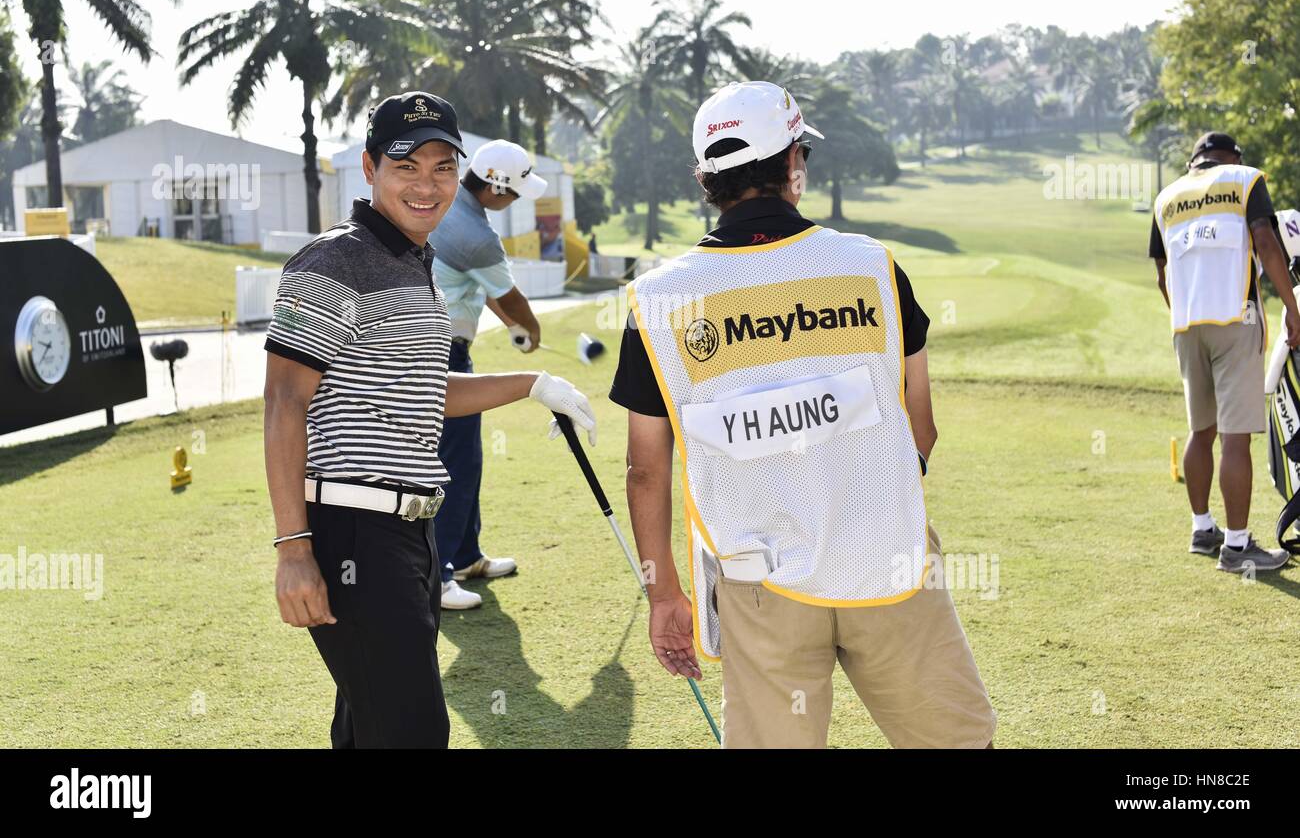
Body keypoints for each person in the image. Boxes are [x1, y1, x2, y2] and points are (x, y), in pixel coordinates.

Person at [609, 81, 996, 748]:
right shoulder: (874, 267)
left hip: (759, 583)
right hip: (888, 559)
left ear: (706, 177)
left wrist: (663, 592)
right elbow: (920, 428)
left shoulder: (658, 300)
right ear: (792, 164)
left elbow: (645, 471)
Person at [264, 91, 596, 748]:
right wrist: (292, 549)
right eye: (406, 166)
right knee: (414, 732)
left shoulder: (414, 264)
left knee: (371, 728)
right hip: (354, 532)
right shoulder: (333, 260)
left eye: (443, 167)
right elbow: (283, 402)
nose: (427, 184)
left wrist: (534, 382)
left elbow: (423, 390)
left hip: (411, 534)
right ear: (369, 168)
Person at [1150, 131, 1298, 573]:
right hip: (1235, 317)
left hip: (1186, 324)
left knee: (1202, 431)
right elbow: (1267, 244)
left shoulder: (1166, 197)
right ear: (1231, 156)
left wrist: (1185, 313)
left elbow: (1162, 275)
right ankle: (1236, 547)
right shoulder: (1246, 179)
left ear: (1196, 161)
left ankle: (1203, 529)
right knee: (1236, 437)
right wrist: (1293, 309)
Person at [429, 139, 548, 610]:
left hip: (440, 349)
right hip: (442, 355)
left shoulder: (452, 206)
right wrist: (530, 328)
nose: (514, 202)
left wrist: (512, 325)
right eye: (514, 193)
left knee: (466, 458)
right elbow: (511, 296)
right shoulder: (476, 233)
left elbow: (487, 288)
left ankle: (465, 555)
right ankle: (436, 579)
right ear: (496, 187)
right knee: (453, 464)